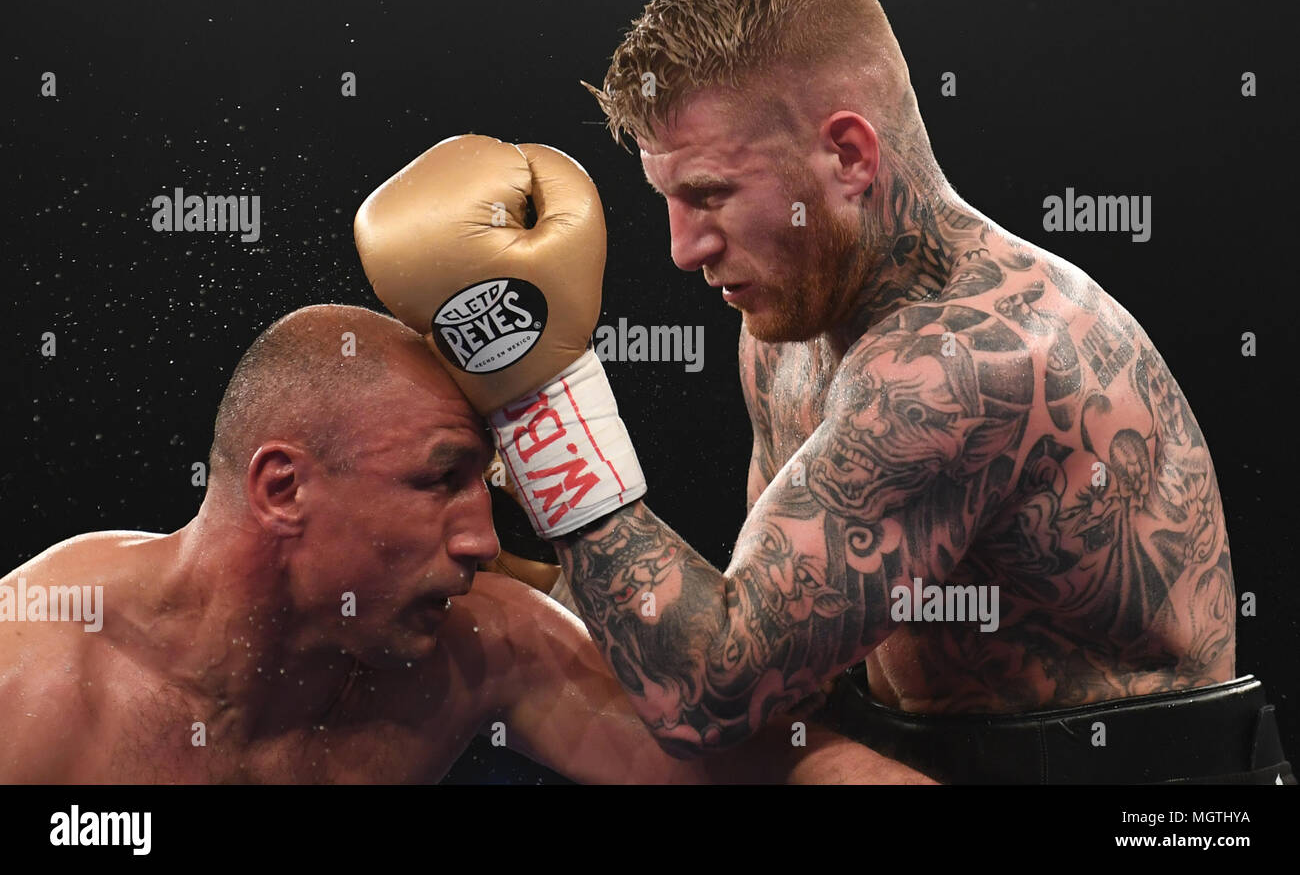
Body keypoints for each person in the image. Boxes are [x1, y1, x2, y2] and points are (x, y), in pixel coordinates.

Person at [352, 0, 1292, 785]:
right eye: (668, 199)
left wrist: (538, 387)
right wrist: (543, 572)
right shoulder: (786, 337)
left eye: (712, 193)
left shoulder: (974, 362)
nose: (683, 247)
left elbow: (712, 697)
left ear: (848, 155)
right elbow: (779, 663)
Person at [0, 304, 931, 784]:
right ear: (281, 488)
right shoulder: (39, 677)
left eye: (484, 488)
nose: (485, 540)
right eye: (438, 479)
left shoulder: (470, 648)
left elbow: (757, 766)